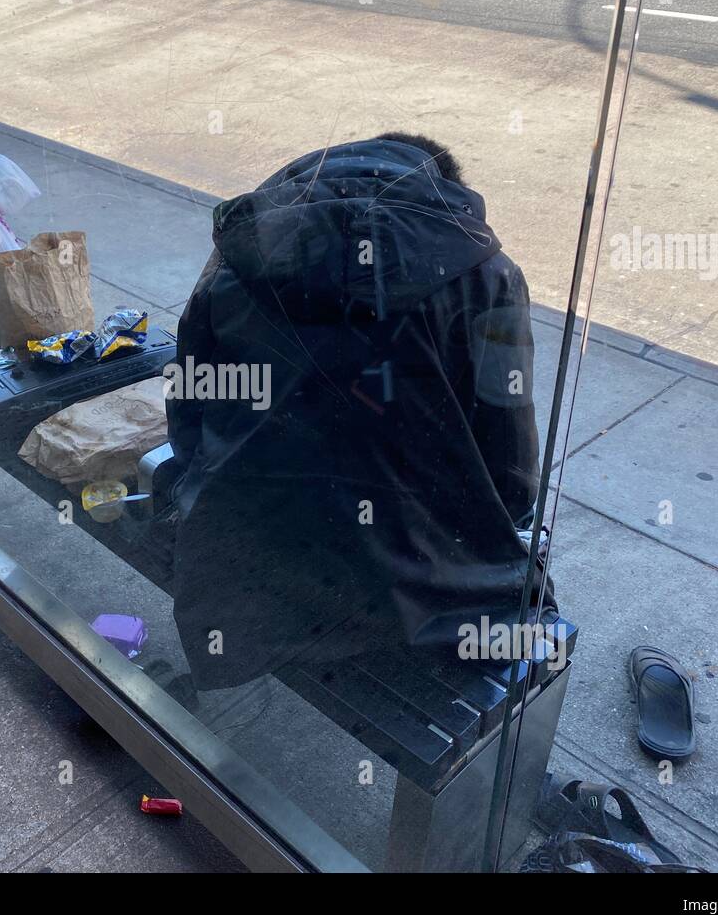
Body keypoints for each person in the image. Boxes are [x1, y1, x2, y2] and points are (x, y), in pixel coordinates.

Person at [165, 133, 553, 691]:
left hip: (247, 572)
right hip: (428, 592)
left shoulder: (239, 254)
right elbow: (511, 472)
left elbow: (188, 424)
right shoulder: (487, 277)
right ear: (441, 190)